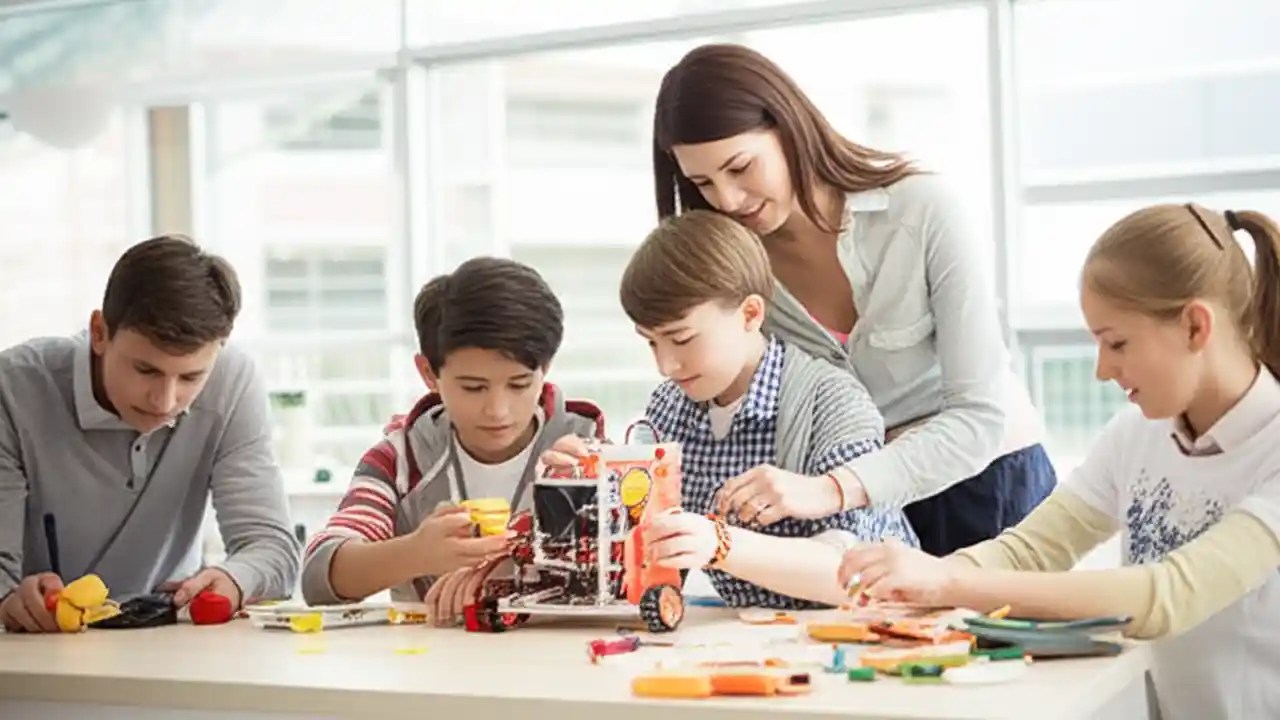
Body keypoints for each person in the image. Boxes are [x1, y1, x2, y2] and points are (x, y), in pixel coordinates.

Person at [836, 203, 1280, 720]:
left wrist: (949, 584)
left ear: (1195, 327)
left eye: (1117, 343)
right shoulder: (1137, 435)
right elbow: (1033, 548)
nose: (1102, 369)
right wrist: (921, 579)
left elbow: (1165, 596)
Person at [651, 43, 1055, 556]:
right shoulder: (733, 271)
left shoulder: (922, 211)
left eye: (740, 167)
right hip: (854, 509)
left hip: (988, 481)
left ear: (788, 126)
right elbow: (705, 395)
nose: (728, 200)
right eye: (702, 182)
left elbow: (979, 415)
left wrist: (833, 488)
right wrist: (615, 463)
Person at [544, 211, 916, 609]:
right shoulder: (669, 407)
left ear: (750, 314)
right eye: (651, 343)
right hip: (745, 636)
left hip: (858, 636)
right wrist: (585, 491)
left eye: (682, 339)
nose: (666, 365)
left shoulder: (833, 402)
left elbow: (852, 577)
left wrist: (718, 543)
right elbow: (640, 548)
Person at [0, 235, 300, 633]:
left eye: (191, 377)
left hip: (169, 644)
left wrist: (234, 579)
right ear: (99, 332)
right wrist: (9, 600)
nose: (164, 401)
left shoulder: (233, 381)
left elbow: (273, 549)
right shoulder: (13, 389)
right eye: (146, 370)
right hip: (38, 653)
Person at [301, 257, 605, 625]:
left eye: (520, 384)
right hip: (432, 670)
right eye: (473, 387)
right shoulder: (401, 459)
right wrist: (416, 553)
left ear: (546, 369)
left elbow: (635, 574)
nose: (498, 410)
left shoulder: (584, 447)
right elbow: (320, 576)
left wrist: (589, 507)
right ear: (429, 373)